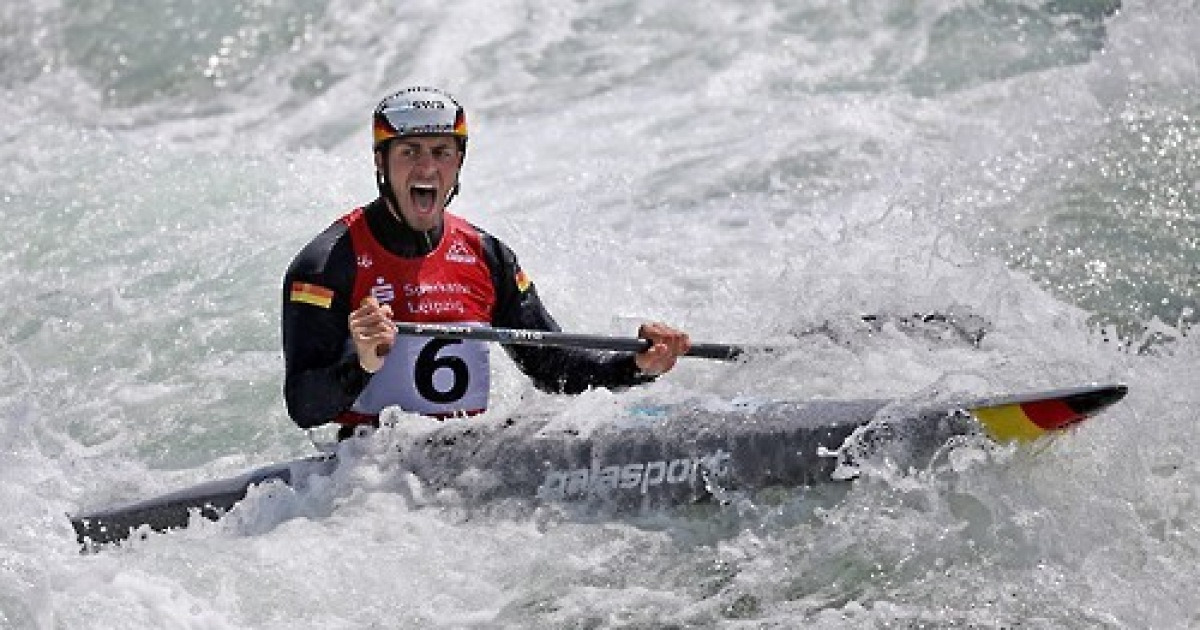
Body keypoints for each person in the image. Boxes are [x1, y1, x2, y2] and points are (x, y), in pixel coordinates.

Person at [282, 86, 690, 435]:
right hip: (375, 480)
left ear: (458, 162)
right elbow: (304, 409)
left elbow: (551, 366)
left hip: (466, 467)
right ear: (380, 161)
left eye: (442, 152)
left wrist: (637, 364)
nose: (427, 167)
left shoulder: (486, 255)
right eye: (409, 152)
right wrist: (362, 363)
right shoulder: (326, 266)